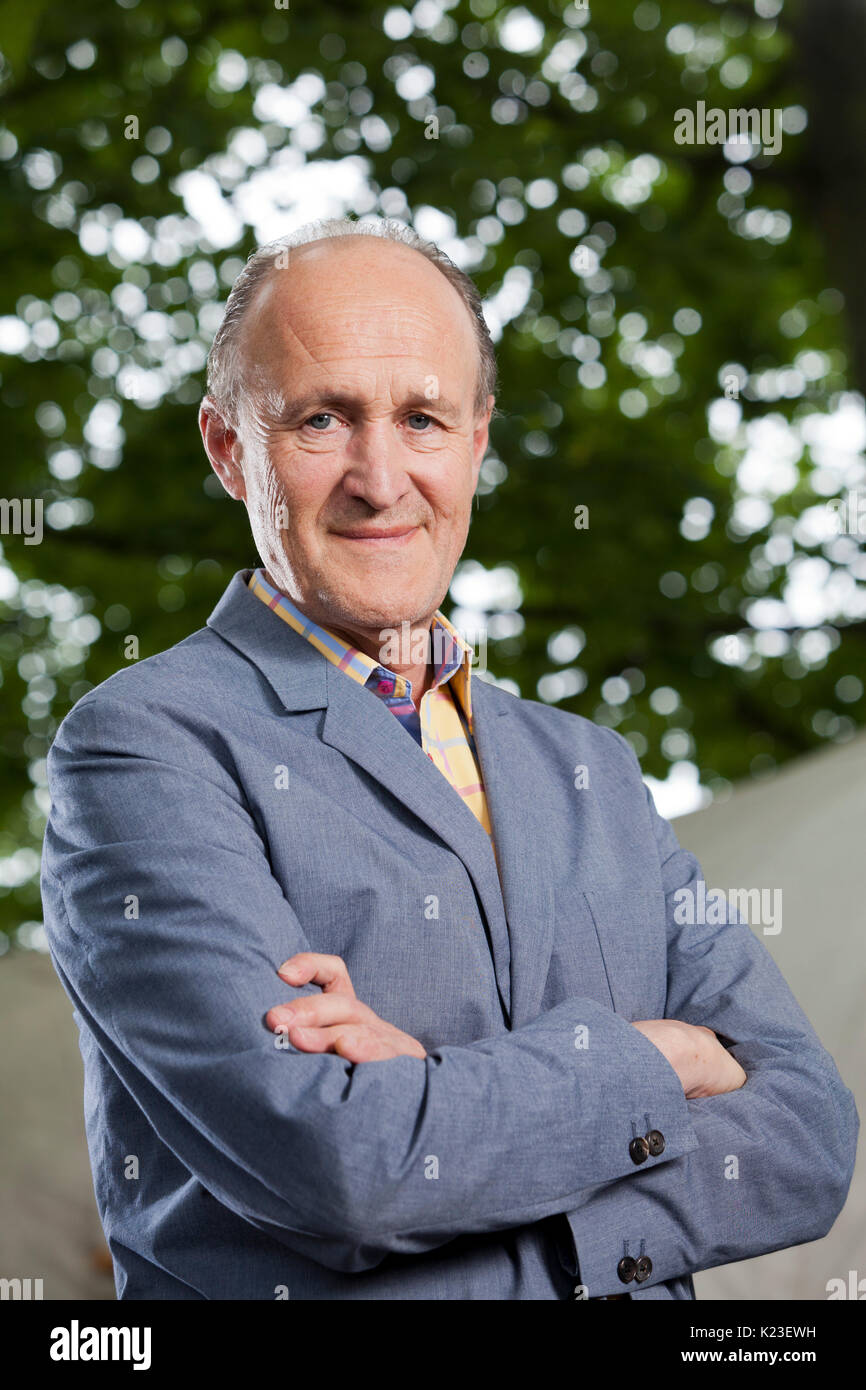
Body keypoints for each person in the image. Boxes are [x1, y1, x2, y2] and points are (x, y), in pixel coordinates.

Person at [41, 218, 858, 1300]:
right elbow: (345, 1165)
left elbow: (804, 1138)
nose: (380, 479)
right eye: (322, 418)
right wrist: (662, 1062)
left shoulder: (591, 768)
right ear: (230, 448)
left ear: (475, 441)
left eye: (421, 418)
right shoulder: (142, 747)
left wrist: (432, 1095)